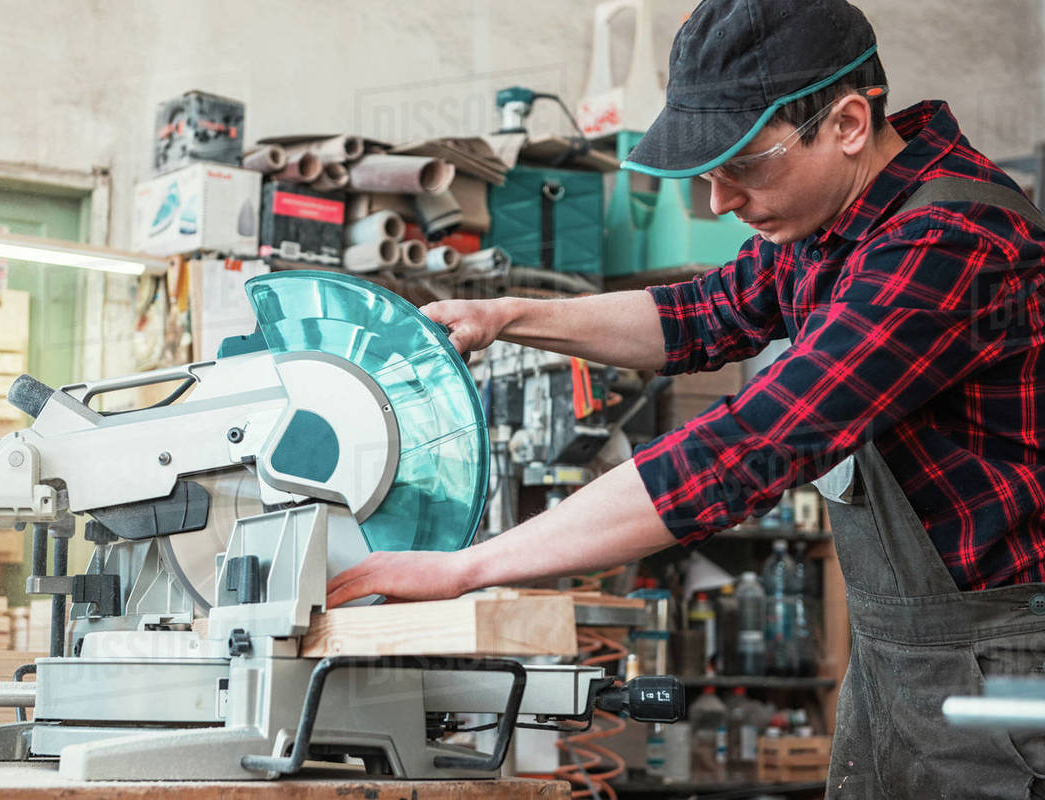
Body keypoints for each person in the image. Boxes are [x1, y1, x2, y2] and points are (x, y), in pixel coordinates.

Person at [328, 1, 1045, 796]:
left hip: (1001, 673)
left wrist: (470, 568)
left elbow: (750, 445)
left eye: (744, 163)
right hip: (899, 658)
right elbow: (700, 314)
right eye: (708, 171)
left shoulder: (951, 241)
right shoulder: (834, 222)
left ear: (847, 123)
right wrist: (508, 317)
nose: (718, 202)